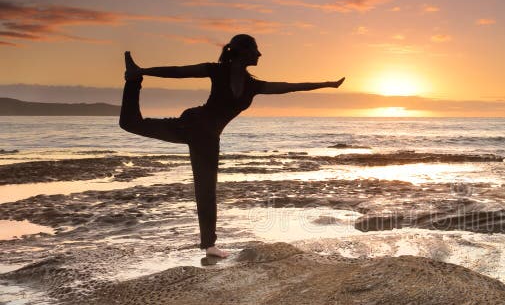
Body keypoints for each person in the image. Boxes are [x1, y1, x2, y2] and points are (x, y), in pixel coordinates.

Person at [120, 33, 344, 259]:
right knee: (129, 123)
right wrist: (143, 72)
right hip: (191, 125)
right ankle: (133, 79)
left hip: (208, 138)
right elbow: (179, 71)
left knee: (206, 191)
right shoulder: (217, 70)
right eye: (255, 49)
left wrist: (326, 84)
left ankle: (210, 246)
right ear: (243, 52)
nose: (259, 54)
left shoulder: (253, 85)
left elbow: (289, 87)